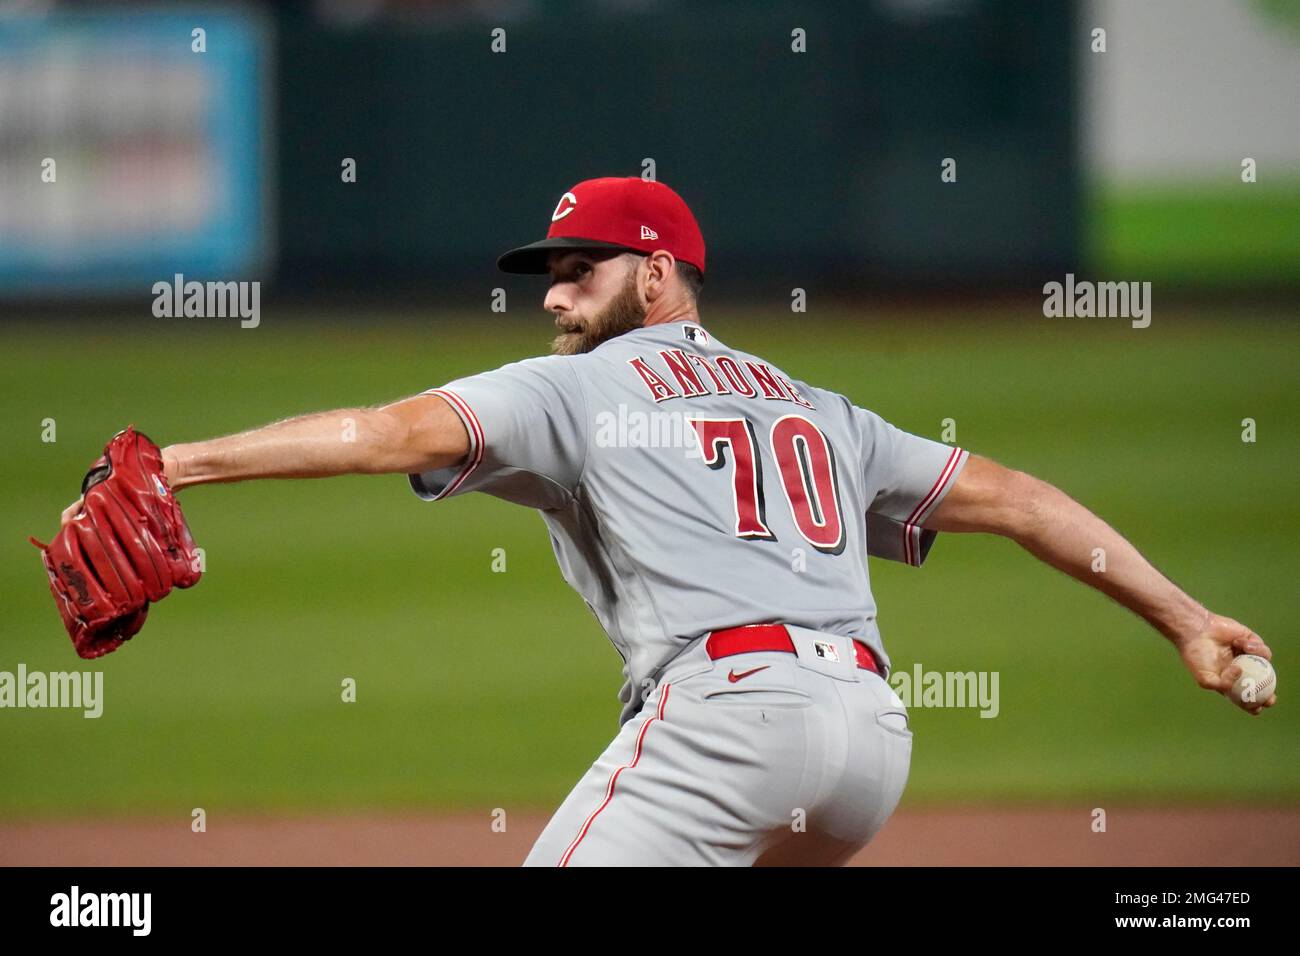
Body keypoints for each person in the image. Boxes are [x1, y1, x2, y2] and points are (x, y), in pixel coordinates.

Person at [59, 176, 1276, 866]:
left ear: (657, 277)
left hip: (724, 728)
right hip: (870, 742)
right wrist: (1182, 618)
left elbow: (381, 431)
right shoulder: (814, 404)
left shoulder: (573, 388)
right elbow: (1015, 500)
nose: (552, 289)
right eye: (545, 269)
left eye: (578, 265)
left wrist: (179, 462)